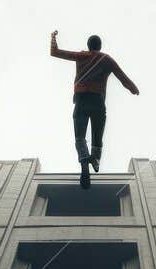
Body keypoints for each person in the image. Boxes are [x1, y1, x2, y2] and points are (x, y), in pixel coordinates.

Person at [50, 30, 139, 188]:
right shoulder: (106, 59)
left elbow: (55, 52)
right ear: (100, 46)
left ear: (88, 46)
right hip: (98, 101)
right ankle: (95, 160)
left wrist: (53, 38)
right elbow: (122, 77)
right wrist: (133, 88)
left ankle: (84, 161)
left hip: (81, 100)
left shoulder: (82, 56)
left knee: (80, 137)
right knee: (97, 135)